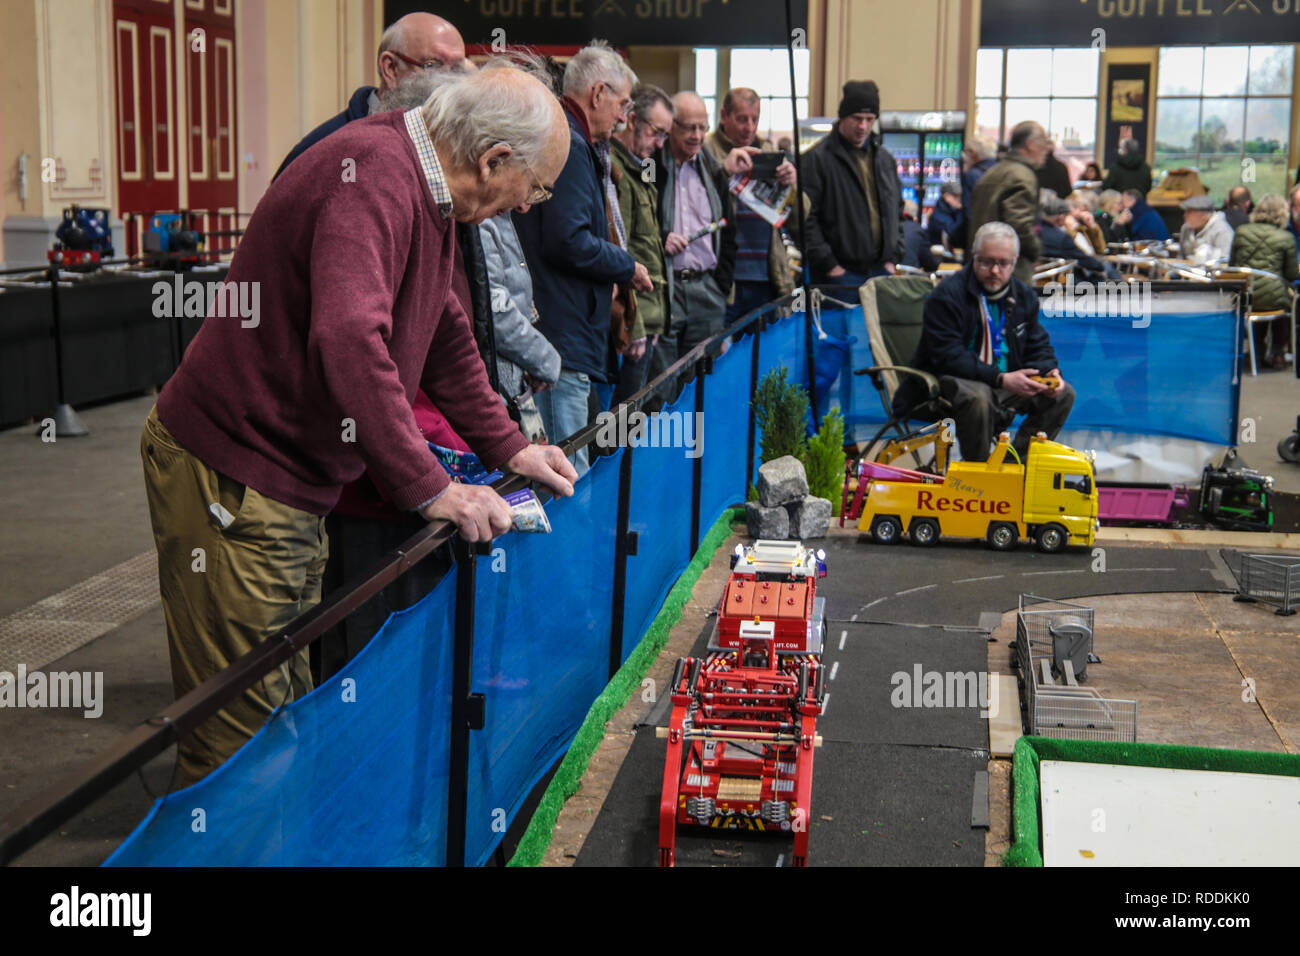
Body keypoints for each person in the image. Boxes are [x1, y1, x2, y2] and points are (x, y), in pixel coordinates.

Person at [140, 64, 579, 785]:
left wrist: (509, 446)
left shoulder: (423, 182)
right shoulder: (377, 175)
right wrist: (432, 488)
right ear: (493, 159)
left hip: (287, 478)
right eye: (535, 187)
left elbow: (442, 331)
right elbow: (348, 337)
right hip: (237, 471)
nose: (529, 207)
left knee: (280, 711)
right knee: (245, 738)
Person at [514, 42, 650, 477]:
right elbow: (567, 239)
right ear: (597, 94)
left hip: (565, 339)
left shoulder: (570, 139)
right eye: (623, 103)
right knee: (568, 478)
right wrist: (626, 266)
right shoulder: (569, 144)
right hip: (561, 343)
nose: (625, 115)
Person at [893, 222, 1074, 463]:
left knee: (1063, 395)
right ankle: (978, 476)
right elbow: (947, 356)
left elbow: (1037, 344)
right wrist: (1001, 379)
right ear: (973, 257)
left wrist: (1050, 371)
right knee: (979, 397)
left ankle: (1012, 468)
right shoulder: (946, 295)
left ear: (1015, 261)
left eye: (1003, 263)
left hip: (1001, 384)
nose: (995, 271)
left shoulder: (1023, 296)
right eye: (987, 262)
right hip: (946, 383)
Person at [274, 13, 468, 178]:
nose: (450, 81)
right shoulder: (325, 148)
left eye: (458, 69)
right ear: (390, 68)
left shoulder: (458, 145)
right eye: (432, 66)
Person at [654, 91, 738, 381]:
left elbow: (729, 232)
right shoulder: (652, 167)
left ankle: (699, 430)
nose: (697, 135)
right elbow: (638, 226)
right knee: (660, 387)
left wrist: (720, 286)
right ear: (671, 126)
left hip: (707, 291)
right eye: (689, 127)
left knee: (704, 385)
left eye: (703, 127)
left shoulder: (713, 171)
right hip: (666, 289)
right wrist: (661, 238)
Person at [703, 87, 799, 323]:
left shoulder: (768, 153)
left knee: (764, 356)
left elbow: (801, 216)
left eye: (754, 119)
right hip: (725, 279)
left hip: (767, 277)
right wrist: (724, 171)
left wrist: (793, 186)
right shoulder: (705, 151)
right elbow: (695, 204)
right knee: (723, 357)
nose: (749, 127)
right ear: (724, 116)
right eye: (741, 119)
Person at [802, 80, 904, 284]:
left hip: (880, 271)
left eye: (869, 119)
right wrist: (830, 265)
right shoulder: (817, 159)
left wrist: (893, 257)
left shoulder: (885, 160)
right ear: (843, 117)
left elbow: (898, 211)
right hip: (838, 275)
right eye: (856, 118)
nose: (863, 126)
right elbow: (805, 218)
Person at [611, 83, 673, 405]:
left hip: (647, 315)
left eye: (665, 137)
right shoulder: (616, 168)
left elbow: (648, 240)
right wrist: (633, 327)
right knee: (620, 426)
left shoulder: (642, 166)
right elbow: (618, 249)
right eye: (656, 133)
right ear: (632, 120)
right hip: (630, 321)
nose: (660, 144)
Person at [968, 120, 1051, 282]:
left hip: (981, 265)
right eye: (1044, 142)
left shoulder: (992, 172)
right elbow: (1019, 225)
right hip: (1008, 271)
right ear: (1030, 144)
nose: (1047, 148)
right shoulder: (1022, 176)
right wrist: (1036, 251)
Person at [1229, 193, 1299, 369]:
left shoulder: (1241, 232)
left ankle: (1256, 353)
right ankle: (1278, 353)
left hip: (1247, 295)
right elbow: (1291, 274)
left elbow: (1233, 265)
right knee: (1281, 301)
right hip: (1274, 296)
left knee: (1257, 300)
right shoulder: (1285, 237)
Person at [1038, 197, 1118, 280]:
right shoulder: (1063, 236)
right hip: (1067, 278)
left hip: (1043, 277)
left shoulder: (1035, 230)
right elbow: (1082, 257)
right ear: (1062, 218)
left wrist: (1092, 226)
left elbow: (1100, 249)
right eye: (1069, 216)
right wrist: (1100, 268)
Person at [1177, 194, 1233, 266]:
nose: (1184, 215)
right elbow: (1181, 257)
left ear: (1203, 215)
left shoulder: (1222, 231)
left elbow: (1224, 261)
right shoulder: (1185, 229)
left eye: (1189, 212)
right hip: (1185, 272)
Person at [961, 136, 997, 214]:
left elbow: (969, 211)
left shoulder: (972, 175)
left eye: (965, 152)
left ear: (973, 152)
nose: (963, 158)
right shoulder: (1001, 170)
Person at [927, 180, 966, 252]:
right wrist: (961, 211)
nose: (960, 200)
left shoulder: (950, 210)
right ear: (947, 196)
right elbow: (954, 233)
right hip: (942, 259)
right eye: (957, 196)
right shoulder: (939, 216)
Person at [901, 200, 939, 272]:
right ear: (915, 217)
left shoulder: (890, 227)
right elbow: (930, 263)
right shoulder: (917, 230)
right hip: (909, 279)